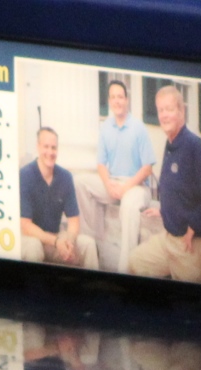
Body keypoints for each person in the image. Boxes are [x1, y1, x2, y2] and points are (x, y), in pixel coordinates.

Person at [129, 84, 201, 286]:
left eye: (169, 109)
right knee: (134, 263)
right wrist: (165, 211)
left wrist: (194, 227)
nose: (164, 115)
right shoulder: (171, 144)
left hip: (193, 244)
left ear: (182, 111)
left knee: (188, 304)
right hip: (169, 239)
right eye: (160, 110)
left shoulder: (193, 145)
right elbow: (181, 190)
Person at [77, 79, 157, 274]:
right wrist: (108, 183)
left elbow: (147, 168)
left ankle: (125, 268)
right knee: (80, 182)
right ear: (110, 101)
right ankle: (91, 242)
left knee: (129, 204)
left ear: (126, 100)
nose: (116, 101)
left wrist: (126, 186)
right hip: (114, 184)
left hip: (137, 186)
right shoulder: (105, 128)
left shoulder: (138, 127)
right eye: (113, 97)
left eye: (120, 96)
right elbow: (100, 164)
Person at [20, 128, 101, 270]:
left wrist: (68, 242)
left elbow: (74, 220)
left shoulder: (65, 177)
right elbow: (25, 226)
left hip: (55, 238)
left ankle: (93, 289)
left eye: (54, 148)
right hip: (30, 238)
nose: (50, 152)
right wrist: (56, 241)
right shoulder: (25, 175)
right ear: (38, 147)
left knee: (87, 244)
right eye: (46, 147)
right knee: (34, 247)